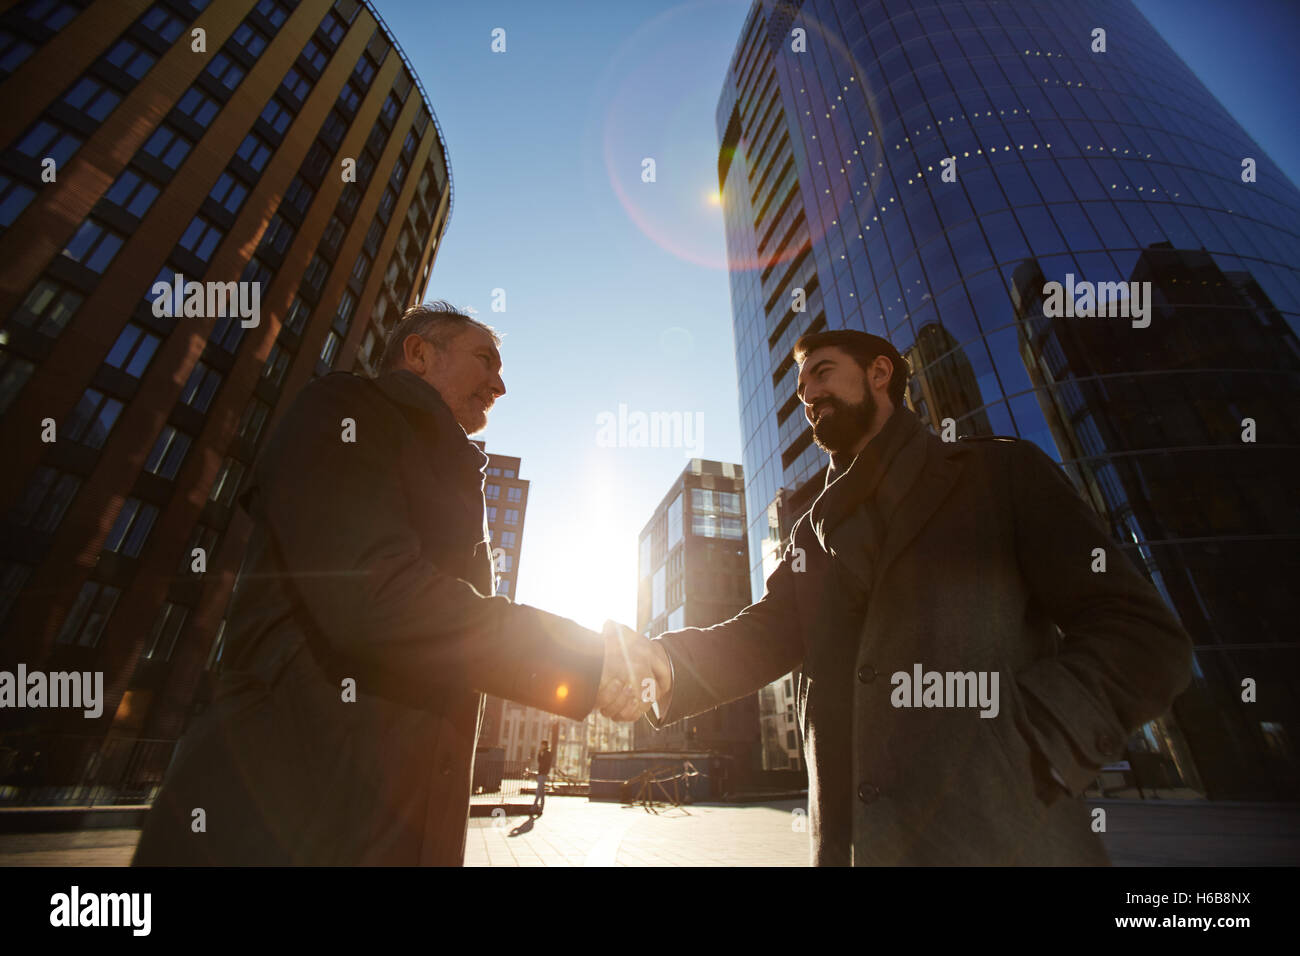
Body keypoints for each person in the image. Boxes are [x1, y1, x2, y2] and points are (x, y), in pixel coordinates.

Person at [607, 328, 1192, 866]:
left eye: (823, 373)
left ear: (879, 373)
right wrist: (665, 662)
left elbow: (1140, 634)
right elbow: (764, 634)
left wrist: (1031, 740)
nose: (808, 393)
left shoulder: (1000, 474)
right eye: (803, 383)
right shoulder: (810, 532)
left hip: (1008, 840)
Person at [132, 302, 656, 866]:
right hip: (276, 822)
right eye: (485, 360)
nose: (499, 385)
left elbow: (451, 642)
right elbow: (377, 595)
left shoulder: (454, 471)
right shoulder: (341, 411)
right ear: (419, 353)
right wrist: (586, 662)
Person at [532, 740, 552, 815]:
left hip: (543, 773)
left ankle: (534, 806)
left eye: (542, 745)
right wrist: (539, 754)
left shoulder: (548, 753)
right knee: (542, 791)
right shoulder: (542, 752)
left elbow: (546, 763)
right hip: (541, 772)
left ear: (545, 745)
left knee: (539, 790)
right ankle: (541, 808)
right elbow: (539, 761)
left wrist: (544, 771)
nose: (541, 746)